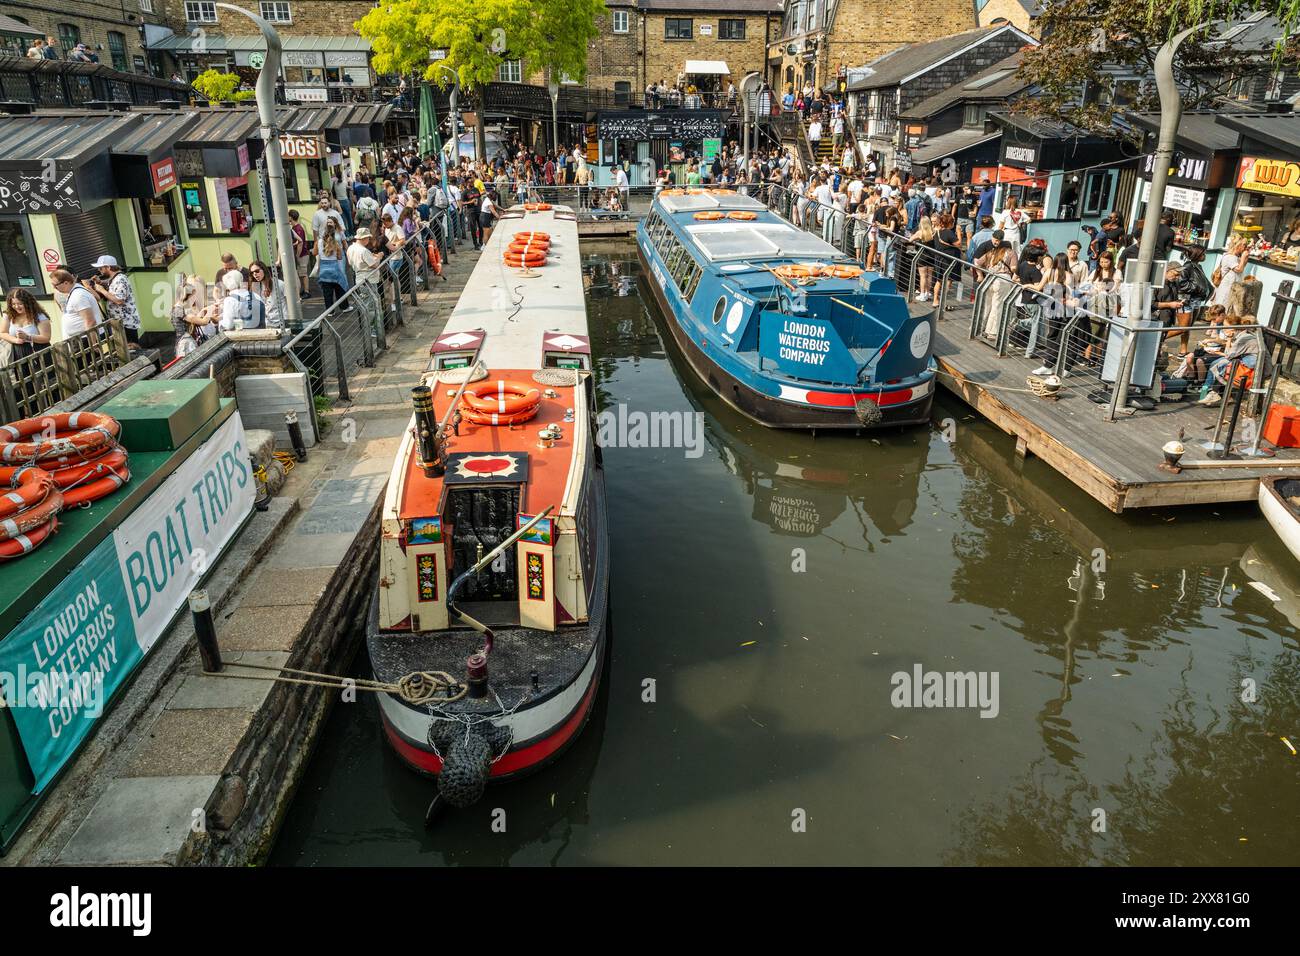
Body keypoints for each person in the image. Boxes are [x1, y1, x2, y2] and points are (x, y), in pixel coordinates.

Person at [88, 255, 141, 345]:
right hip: (120, 323)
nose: (99, 271)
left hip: (126, 324)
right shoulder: (115, 278)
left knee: (131, 350)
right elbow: (112, 287)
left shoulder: (120, 279)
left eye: (100, 268)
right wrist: (100, 282)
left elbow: (119, 300)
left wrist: (102, 290)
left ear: (108, 267)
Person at [974, 231, 1016, 339]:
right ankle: (992, 332)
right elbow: (1013, 268)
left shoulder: (992, 252)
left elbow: (977, 263)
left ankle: (978, 327)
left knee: (986, 305)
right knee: (997, 306)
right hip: (1003, 280)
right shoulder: (1011, 253)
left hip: (990, 279)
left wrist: (981, 274)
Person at [1, 289, 52, 362]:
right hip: (17, 353)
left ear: (28, 303)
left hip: (38, 351)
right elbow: (2, 333)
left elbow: (46, 338)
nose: (16, 307)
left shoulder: (39, 316)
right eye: (13, 304)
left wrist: (27, 337)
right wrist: (15, 340)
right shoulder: (8, 315)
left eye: (20, 304)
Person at [50, 270, 98, 338]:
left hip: (85, 339)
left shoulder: (78, 296)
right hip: (80, 337)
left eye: (55, 285)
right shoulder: (74, 292)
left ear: (66, 283)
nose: (54, 288)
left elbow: (90, 322)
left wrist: (93, 345)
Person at [316, 219, 350, 311]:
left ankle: (330, 311)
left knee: (327, 292)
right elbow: (339, 257)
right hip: (334, 269)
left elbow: (315, 252)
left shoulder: (319, 242)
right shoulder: (336, 244)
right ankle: (344, 307)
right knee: (340, 288)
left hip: (323, 270)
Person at [1212, 235, 1248, 309]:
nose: (1244, 248)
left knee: (1227, 310)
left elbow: (1242, 267)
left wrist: (1245, 258)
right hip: (1226, 289)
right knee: (1221, 310)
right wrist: (1243, 257)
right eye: (1244, 246)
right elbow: (1239, 269)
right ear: (1238, 246)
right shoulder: (1230, 257)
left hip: (1231, 288)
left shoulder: (1235, 257)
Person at [247, 260, 285, 329]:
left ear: (264, 270)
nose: (255, 274)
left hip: (282, 323)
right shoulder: (256, 287)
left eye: (257, 271)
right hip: (268, 325)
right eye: (252, 273)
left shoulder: (279, 284)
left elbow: (291, 302)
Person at [288, 209, 311, 298]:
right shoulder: (296, 228)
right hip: (302, 254)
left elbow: (300, 243)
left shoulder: (297, 229)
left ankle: (306, 291)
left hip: (302, 254)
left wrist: (297, 255)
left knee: (303, 274)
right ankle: (304, 290)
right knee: (301, 273)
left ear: (291, 217)